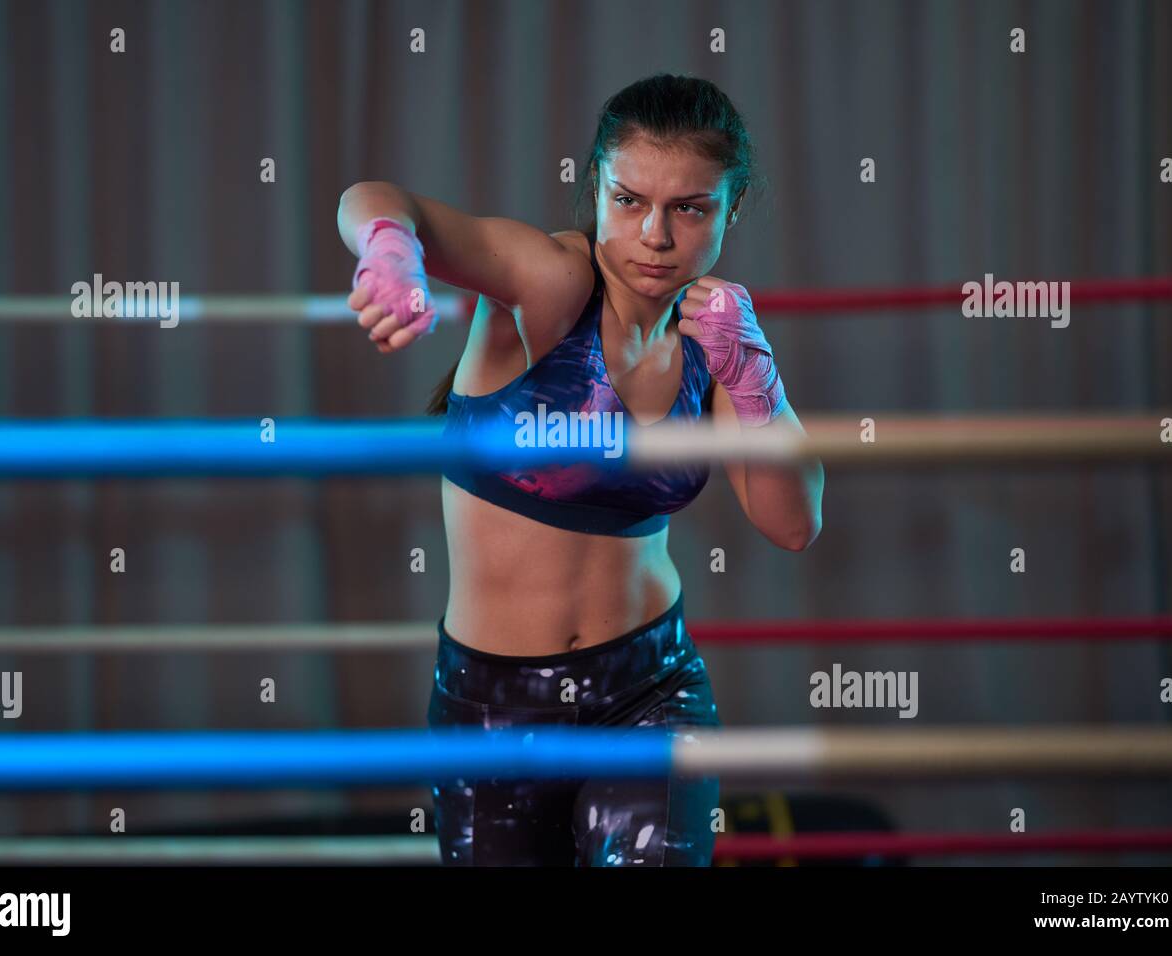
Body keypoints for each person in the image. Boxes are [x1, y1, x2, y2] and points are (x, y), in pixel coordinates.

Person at [337, 73, 824, 866]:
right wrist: (391, 246)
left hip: (650, 692)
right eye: (629, 200)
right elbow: (378, 195)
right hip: (494, 709)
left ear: (731, 210)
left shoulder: (715, 336)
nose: (654, 236)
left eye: (690, 208)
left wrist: (751, 373)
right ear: (594, 188)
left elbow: (794, 523)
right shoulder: (552, 286)